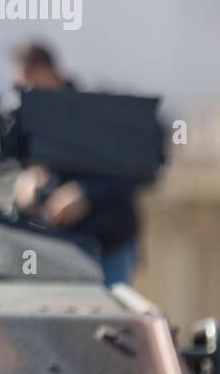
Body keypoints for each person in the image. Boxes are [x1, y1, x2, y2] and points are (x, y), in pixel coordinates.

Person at [9, 42, 141, 284]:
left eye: (30, 82)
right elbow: (19, 163)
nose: (26, 91)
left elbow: (135, 172)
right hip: (57, 245)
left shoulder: (96, 107)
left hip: (107, 243)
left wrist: (85, 194)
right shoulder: (31, 115)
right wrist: (24, 181)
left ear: (47, 71)